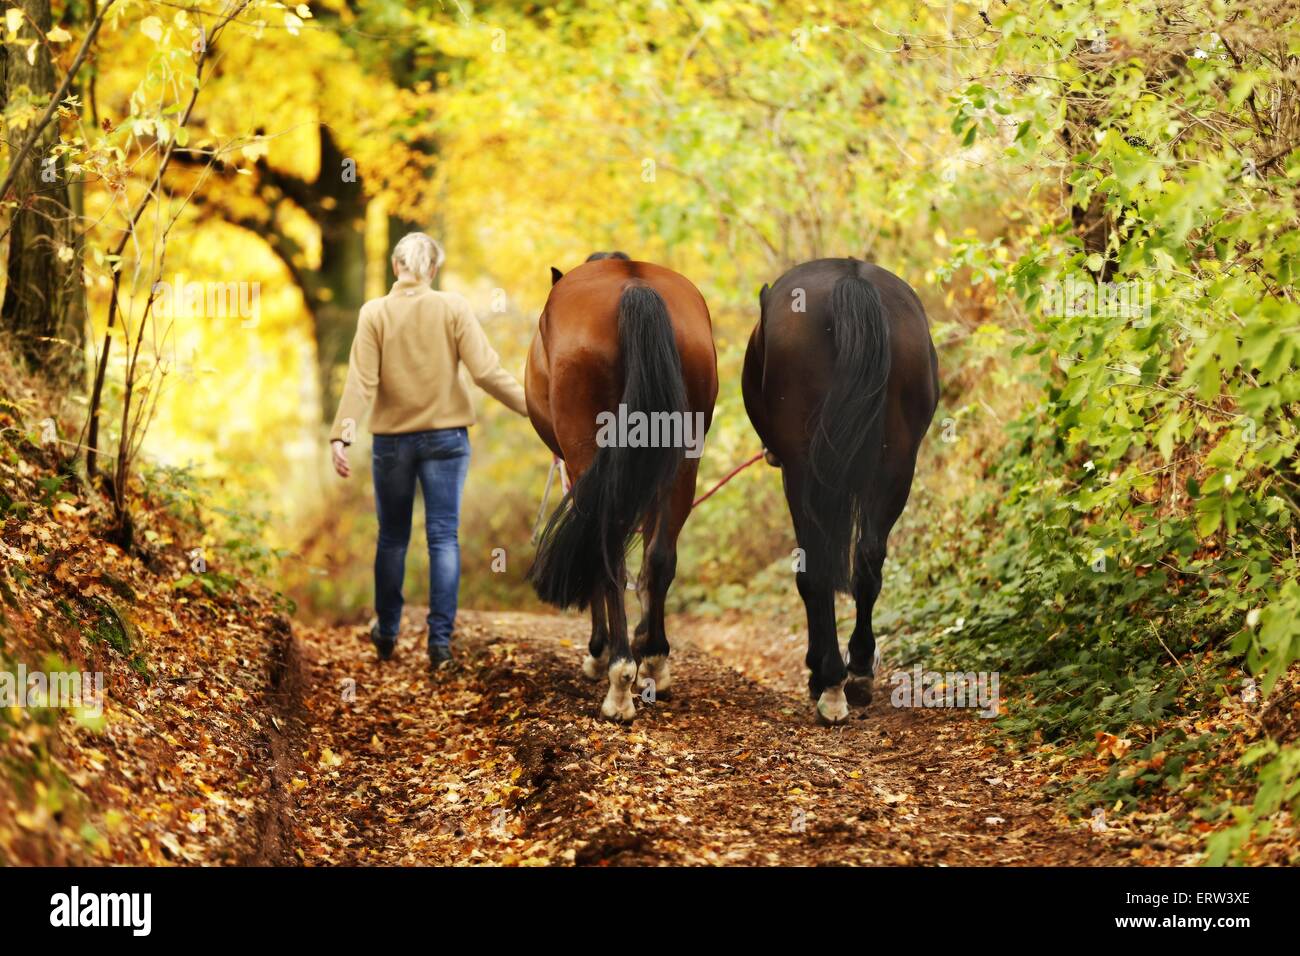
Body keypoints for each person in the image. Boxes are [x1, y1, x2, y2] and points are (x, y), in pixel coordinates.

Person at [329, 233, 529, 668]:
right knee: (443, 539)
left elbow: (360, 382)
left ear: (396, 265)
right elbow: (486, 372)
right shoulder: (452, 307)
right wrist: (534, 408)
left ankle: (387, 632)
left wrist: (343, 435)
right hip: (447, 439)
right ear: (432, 269)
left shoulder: (374, 313)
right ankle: (440, 644)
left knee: (393, 539)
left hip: (392, 442)